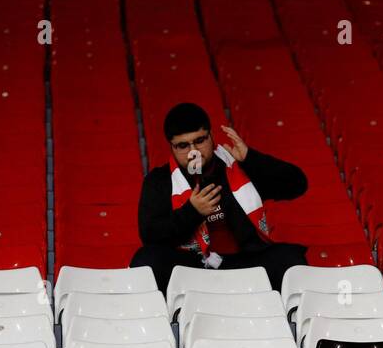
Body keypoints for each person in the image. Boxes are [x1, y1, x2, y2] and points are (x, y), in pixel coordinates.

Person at [132, 102, 308, 293]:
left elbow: (297, 185)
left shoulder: (237, 164)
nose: (194, 151)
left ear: (211, 136)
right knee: (147, 260)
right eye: (183, 145)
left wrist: (251, 159)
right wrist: (192, 212)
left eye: (200, 141)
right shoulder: (159, 180)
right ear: (172, 147)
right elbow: (150, 235)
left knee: (290, 260)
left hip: (245, 262)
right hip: (193, 268)